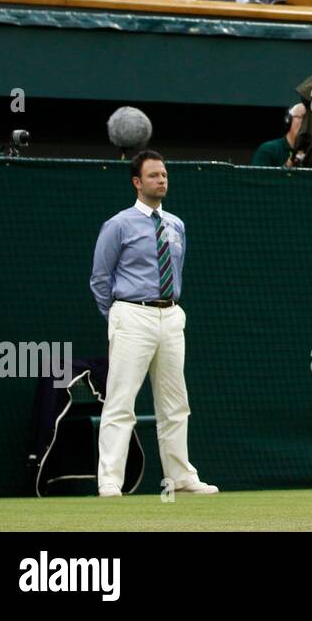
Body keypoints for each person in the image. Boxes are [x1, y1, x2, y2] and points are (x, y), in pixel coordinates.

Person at [89, 150, 218, 497]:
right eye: (153, 176)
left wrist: (167, 311)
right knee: (120, 401)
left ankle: (180, 477)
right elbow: (100, 278)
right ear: (137, 182)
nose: (161, 180)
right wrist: (118, 316)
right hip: (132, 314)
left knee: (176, 403)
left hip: (171, 314)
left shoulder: (176, 224)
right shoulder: (118, 224)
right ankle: (110, 480)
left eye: (164, 175)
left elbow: (176, 271)